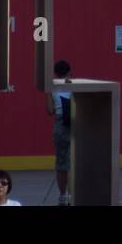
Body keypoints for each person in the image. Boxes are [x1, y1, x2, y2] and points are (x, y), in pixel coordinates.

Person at [45, 58, 74, 205]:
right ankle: (73, 194)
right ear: (69, 72)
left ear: (55, 73)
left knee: (62, 163)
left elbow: (50, 110)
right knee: (74, 162)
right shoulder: (74, 86)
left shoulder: (51, 87)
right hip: (75, 125)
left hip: (60, 124)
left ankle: (63, 195)